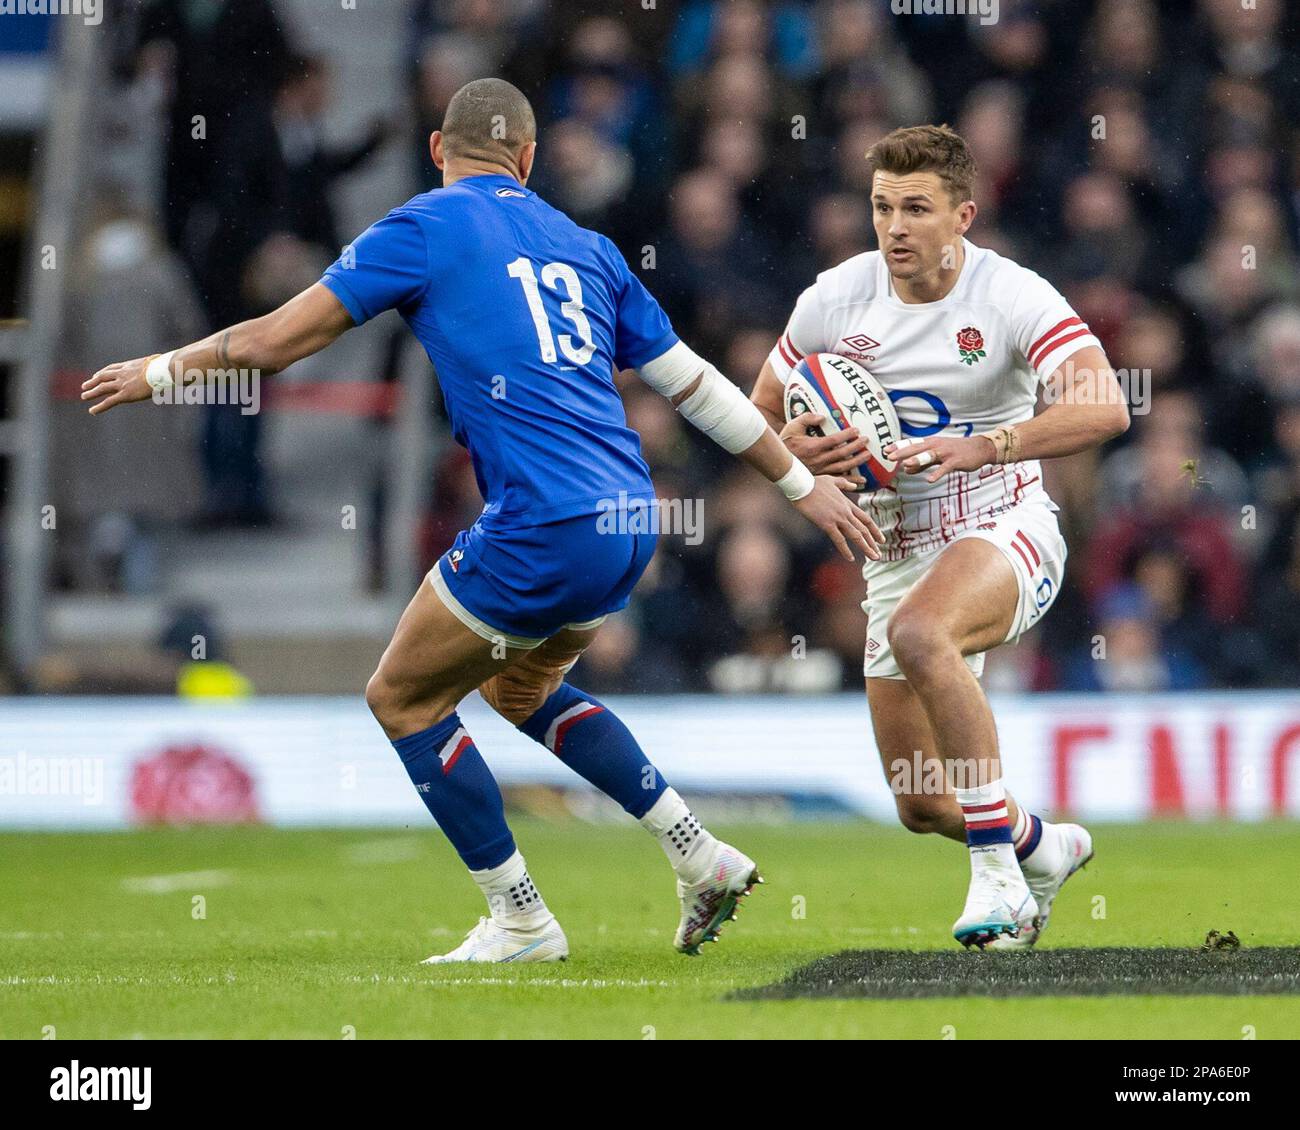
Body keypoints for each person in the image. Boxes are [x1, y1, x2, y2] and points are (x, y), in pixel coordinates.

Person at [82, 78, 880, 964]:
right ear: (530, 160)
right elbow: (693, 384)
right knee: (519, 691)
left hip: (543, 519)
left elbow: (278, 340)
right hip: (627, 517)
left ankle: (523, 919)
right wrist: (801, 483)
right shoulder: (589, 246)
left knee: (401, 697)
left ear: (437, 151)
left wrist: (159, 370)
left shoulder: (425, 225)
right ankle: (700, 854)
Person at [750, 124, 1130, 949]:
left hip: (1003, 520)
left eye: (916, 208)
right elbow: (759, 413)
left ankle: (998, 878)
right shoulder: (834, 298)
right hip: (894, 549)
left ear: (963, 215)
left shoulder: (1011, 295)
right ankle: (1042, 846)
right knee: (921, 804)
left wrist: (992, 442)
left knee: (924, 634)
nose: (894, 227)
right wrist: (798, 460)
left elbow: (1106, 404)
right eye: (882, 206)